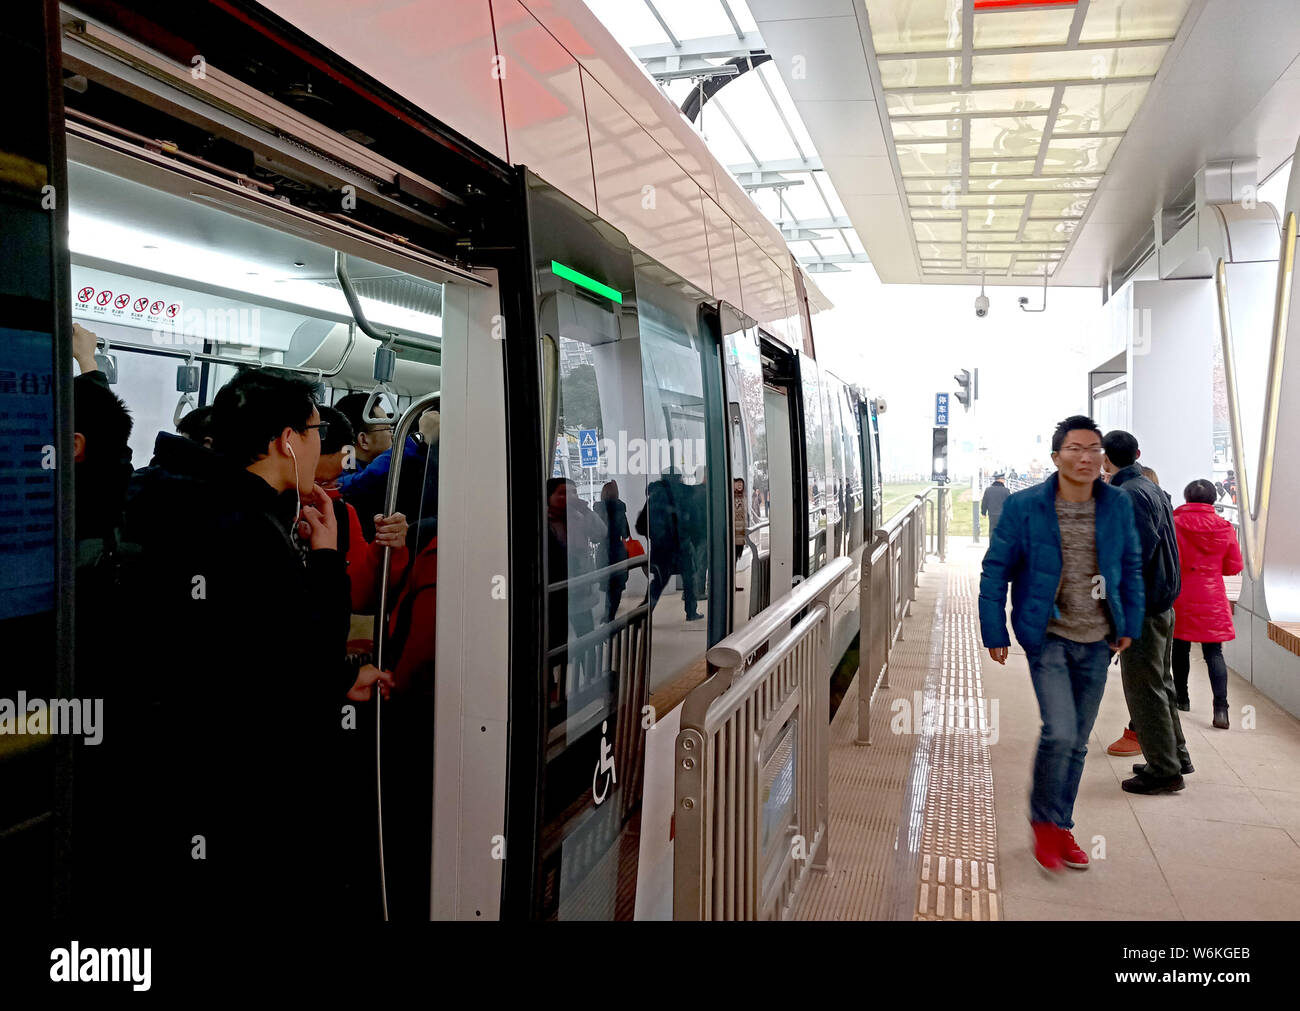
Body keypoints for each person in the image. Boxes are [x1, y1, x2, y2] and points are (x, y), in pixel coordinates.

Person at [121, 367, 392, 920]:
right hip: (242, 762)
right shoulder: (246, 526)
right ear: (286, 440)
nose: (323, 444)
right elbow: (302, 651)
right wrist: (324, 557)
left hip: (174, 745)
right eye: (316, 430)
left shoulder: (177, 496)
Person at [979, 415, 1144, 873]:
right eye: (1074, 448)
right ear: (1056, 457)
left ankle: (1060, 825)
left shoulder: (1116, 505)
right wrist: (995, 630)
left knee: (1077, 743)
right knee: (1062, 730)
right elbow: (996, 568)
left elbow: (1130, 566)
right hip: (1046, 634)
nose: (1085, 456)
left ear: (1102, 458)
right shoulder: (1025, 506)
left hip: (1097, 640)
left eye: (1093, 448)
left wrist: (1127, 621)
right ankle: (1044, 824)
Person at [1101, 430, 1190, 791]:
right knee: (1161, 684)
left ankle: (1164, 772)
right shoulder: (1151, 488)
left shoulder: (1127, 496)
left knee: (1144, 689)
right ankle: (1174, 756)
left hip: (1143, 609)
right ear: (1137, 453)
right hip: (1162, 603)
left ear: (1106, 459)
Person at [313, 404, 409, 613]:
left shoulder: (343, 511)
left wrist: (385, 545)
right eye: (387, 429)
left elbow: (359, 595)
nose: (330, 489)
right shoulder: (263, 514)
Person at [1171, 479, 1243, 729]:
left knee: (1179, 648)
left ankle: (1182, 698)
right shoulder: (1224, 527)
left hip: (1180, 595)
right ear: (1213, 499)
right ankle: (1220, 709)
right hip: (1211, 597)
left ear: (1187, 497)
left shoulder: (1175, 523)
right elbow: (1233, 566)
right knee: (1214, 652)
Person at [334, 391, 423, 541]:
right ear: (364, 440)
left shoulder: (360, 469)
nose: (393, 436)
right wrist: (415, 440)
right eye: (388, 429)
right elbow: (365, 478)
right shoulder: (337, 476)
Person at [593, 480, 630, 622]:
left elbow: (595, 536)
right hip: (618, 550)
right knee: (617, 585)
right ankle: (610, 615)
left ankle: (607, 615)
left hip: (603, 550)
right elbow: (625, 533)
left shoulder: (597, 509)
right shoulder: (621, 508)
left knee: (607, 584)